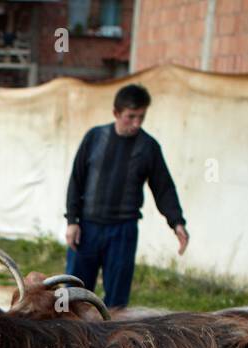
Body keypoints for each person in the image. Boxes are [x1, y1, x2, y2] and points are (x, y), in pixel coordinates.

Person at [64, 83, 189, 308]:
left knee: (117, 302)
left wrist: (177, 222)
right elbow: (76, 180)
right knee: (74, 294)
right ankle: (70, 340)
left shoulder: (148, 147)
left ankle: (111, 342)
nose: (136, 123)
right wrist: (72, 221)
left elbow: (164, 188)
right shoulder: (94, 138)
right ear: (116, 113)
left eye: (141, 117)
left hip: (123, 232)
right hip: (88, 228)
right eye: (131, 117)